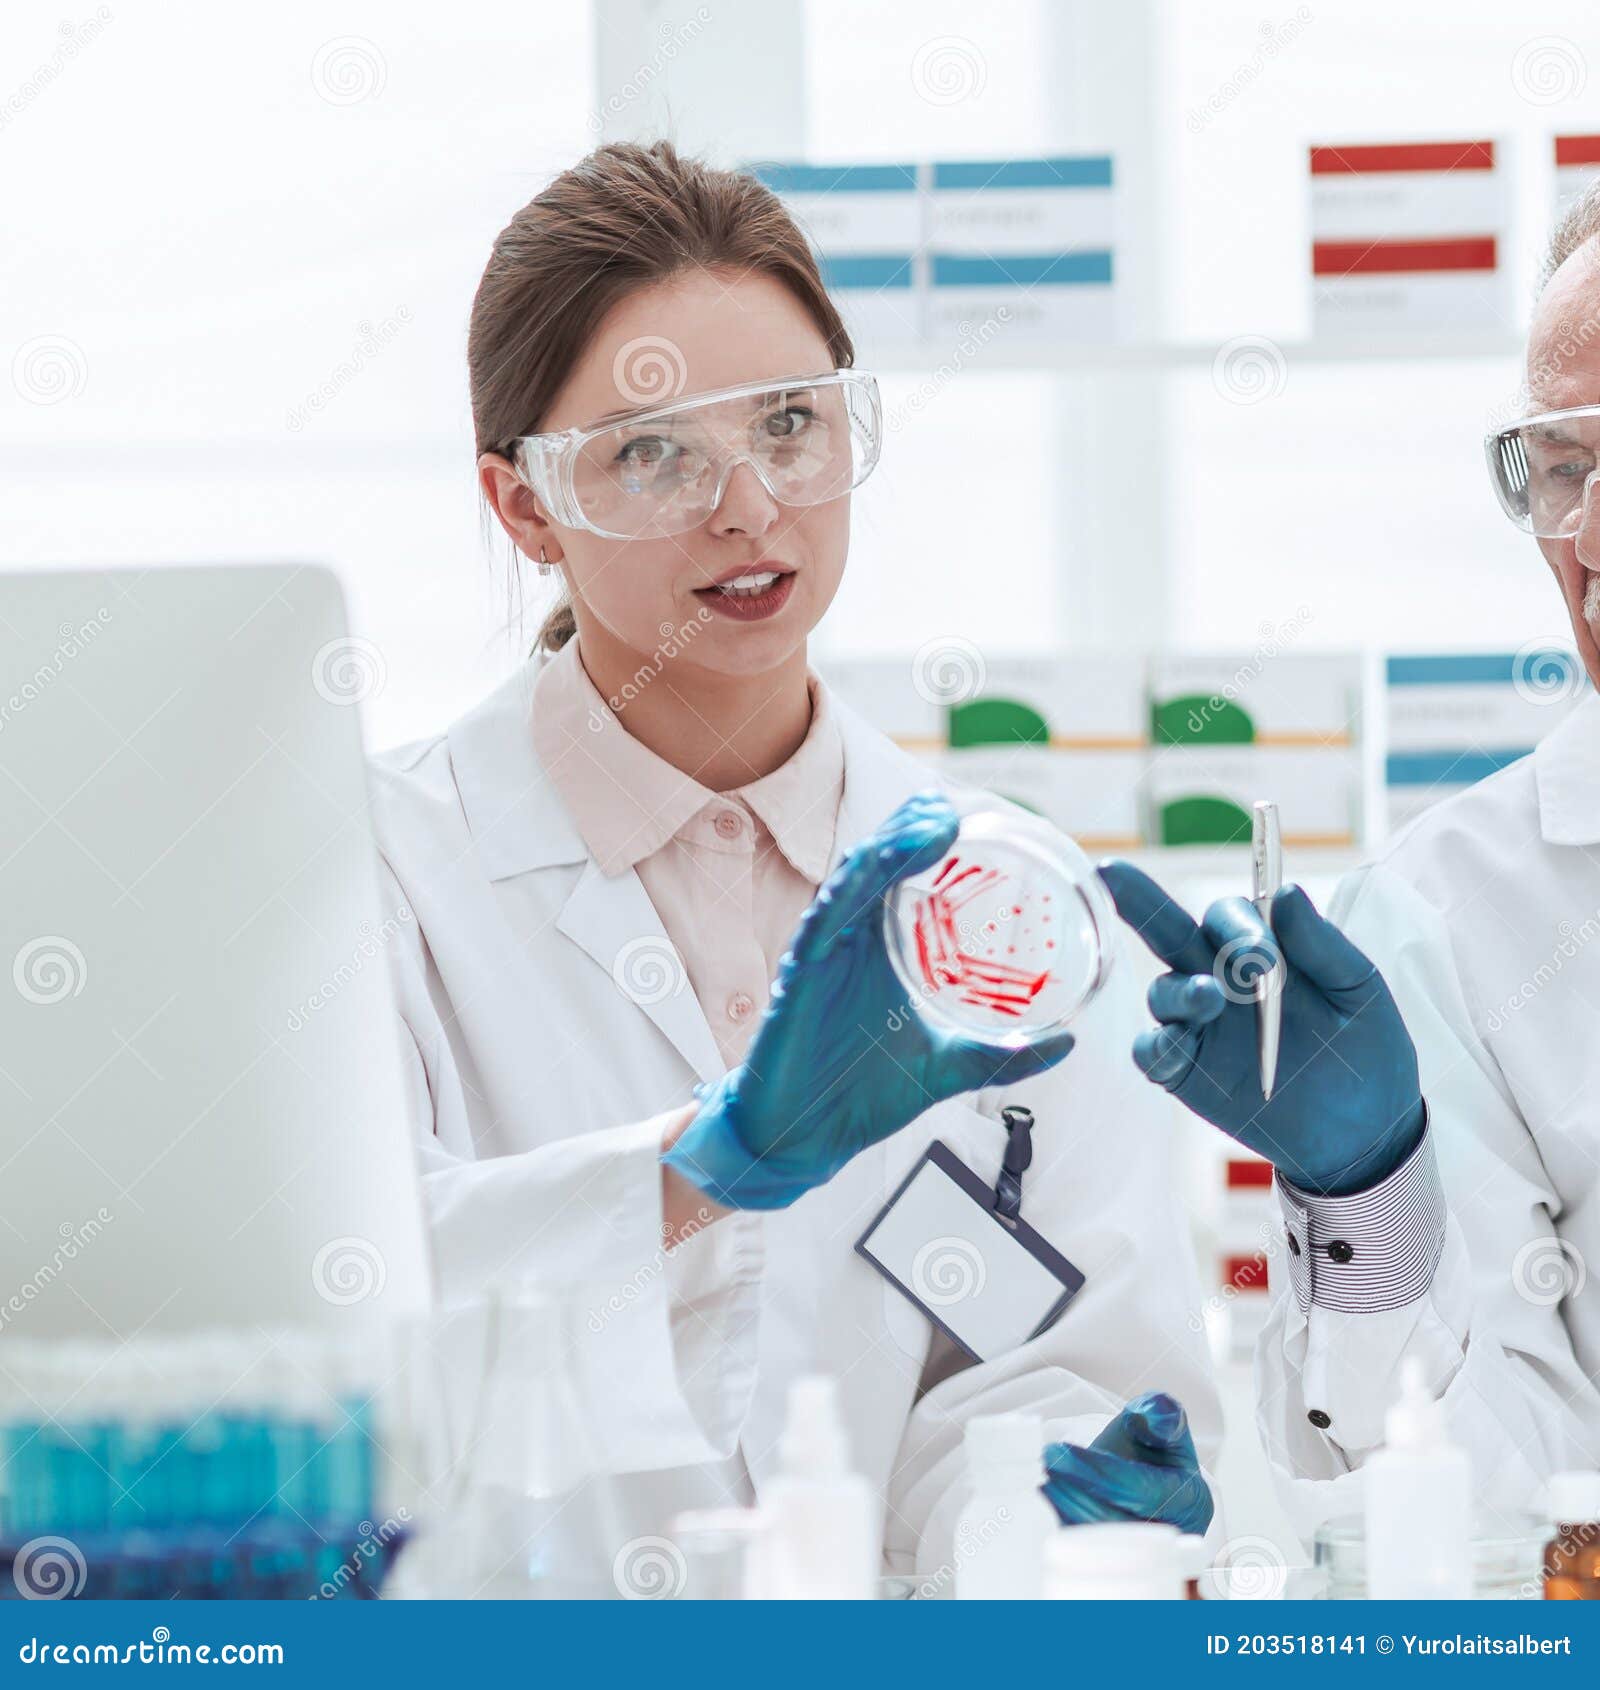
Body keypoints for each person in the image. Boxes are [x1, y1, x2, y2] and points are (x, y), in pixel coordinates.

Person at [367, 139, 1219, 1588]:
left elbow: (1042, 1379)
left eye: (789, 423)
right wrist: (698, 1174)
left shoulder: (1002, 896)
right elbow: (345, 1326)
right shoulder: (383, 872)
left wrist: (1057, 1507)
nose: (750, 505)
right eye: (654, 451)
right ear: (522, 507)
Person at [1098, 185, 1600, 1534]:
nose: (1589, 538)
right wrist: (1370, 1197)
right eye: (1565, 465)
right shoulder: (1448, 918)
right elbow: (1481, 1516)